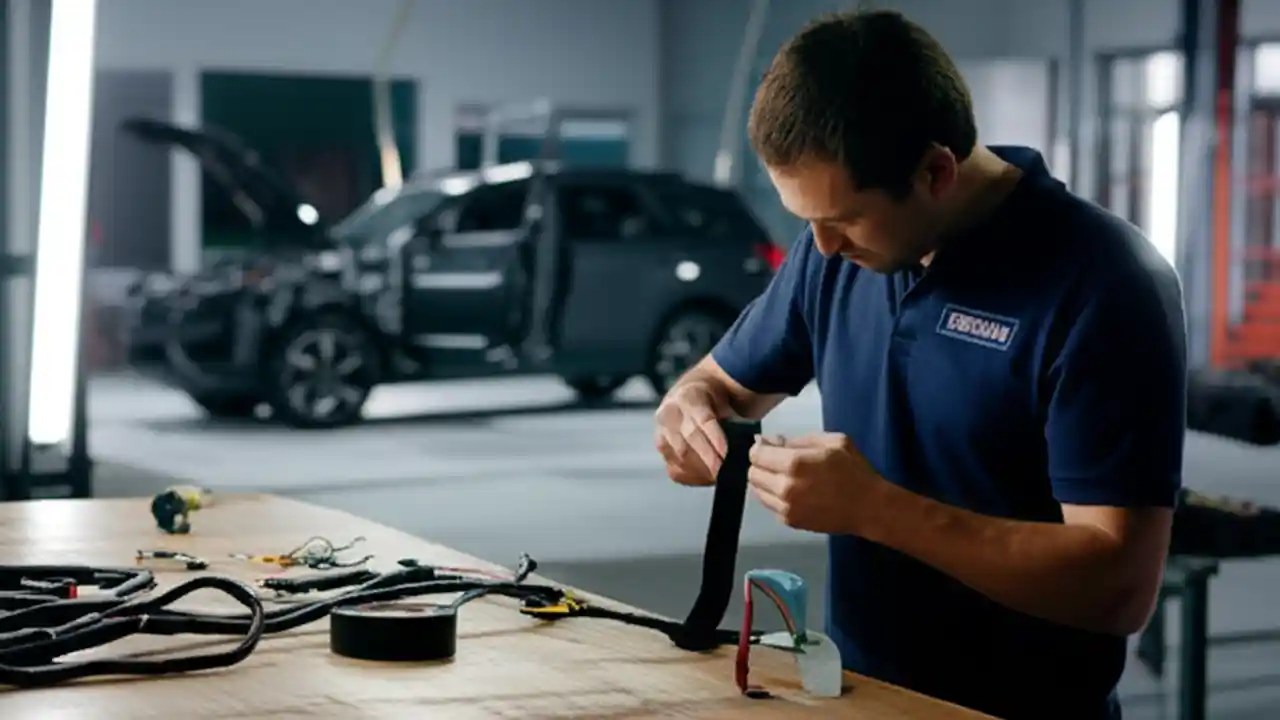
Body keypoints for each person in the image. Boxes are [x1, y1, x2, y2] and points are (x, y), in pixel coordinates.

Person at [653, 10, 1185, 720]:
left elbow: (1119, 582)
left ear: (936, 171)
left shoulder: (1104, 284)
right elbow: (721, 384)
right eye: (803, 219)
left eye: (841, 219)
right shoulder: (831, 254)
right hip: (861, 699)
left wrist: (877, 511)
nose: (822, 246)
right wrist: (689, 408)